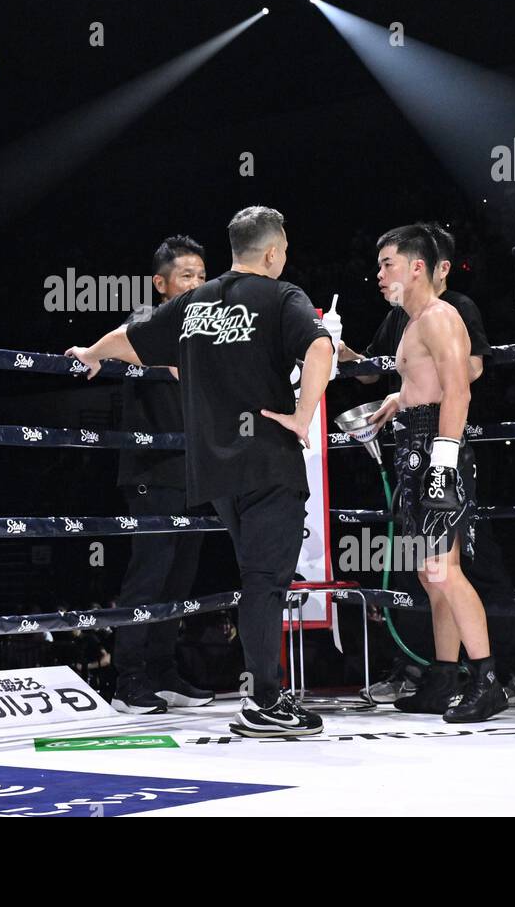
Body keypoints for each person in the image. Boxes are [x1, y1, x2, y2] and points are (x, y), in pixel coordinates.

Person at [68, 206, 334, 737]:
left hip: (216, 472)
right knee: (265, 582)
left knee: (254, 578)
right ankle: (264, 700)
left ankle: (251, 690)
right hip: (266, 459)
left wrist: (92, 352)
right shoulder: (285, 296)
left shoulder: (193, 302)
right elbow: (320, 345)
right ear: (275, 252)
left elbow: (131, 335)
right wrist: (303, 416)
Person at [342, 222, 515, 706]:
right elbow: (425, 385)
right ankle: (445, 677)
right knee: (429, 571)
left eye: (388, 264)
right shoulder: (413, 322)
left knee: (444, 568)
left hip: (438, 448)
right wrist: (395, 402)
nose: (379, 275)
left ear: (416, 267)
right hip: (416, 444)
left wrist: (443, 458)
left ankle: (486, 683)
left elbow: (459, 386)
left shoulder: (441, 317)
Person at [110, 235, 215, 715]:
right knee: (148, 575)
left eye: (201, 274)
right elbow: (126, 344)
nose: (196, 283)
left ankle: (163, 669)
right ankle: (127, 678)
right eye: (186, 275)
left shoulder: (207, 329)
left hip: (194, 470)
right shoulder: (144, 321)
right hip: (153, 468)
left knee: (180, 578)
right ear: (161, 283)